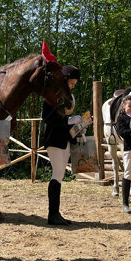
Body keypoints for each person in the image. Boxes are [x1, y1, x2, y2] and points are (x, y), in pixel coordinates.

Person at [42, 64, 81, 225]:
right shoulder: (51, 95)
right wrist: (68, 120)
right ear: (64, 79)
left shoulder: (67, 95)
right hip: (54, 138)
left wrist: (80, 125)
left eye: (74, 84)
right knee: (57, 173)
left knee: (60, 175)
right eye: (71, 83)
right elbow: (47, 118)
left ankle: (56, 213)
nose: (72, 86)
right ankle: (53, 214)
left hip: (65, 138)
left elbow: (66, 122)